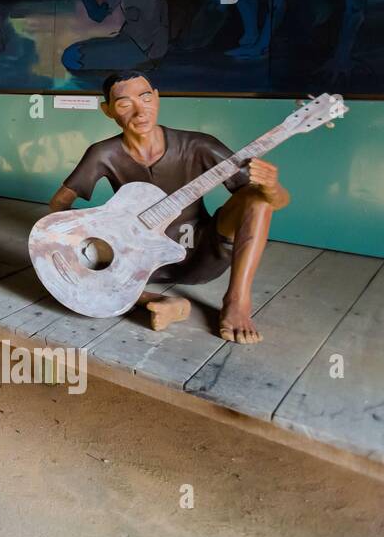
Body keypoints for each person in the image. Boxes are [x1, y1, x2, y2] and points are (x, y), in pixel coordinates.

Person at [46, 71, 288, 344]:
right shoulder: (103, 153)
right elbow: (59, 204)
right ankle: (164, 302)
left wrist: (272, 189)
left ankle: (237, 301)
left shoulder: (199, 145)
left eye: (146, 99)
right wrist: (88, 235)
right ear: (108, 110)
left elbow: (272, 203)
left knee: (255, 197)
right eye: (125, 105)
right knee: (58, 266)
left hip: (200, 254)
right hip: (135, 260)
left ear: (158, 99)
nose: (140, 112)